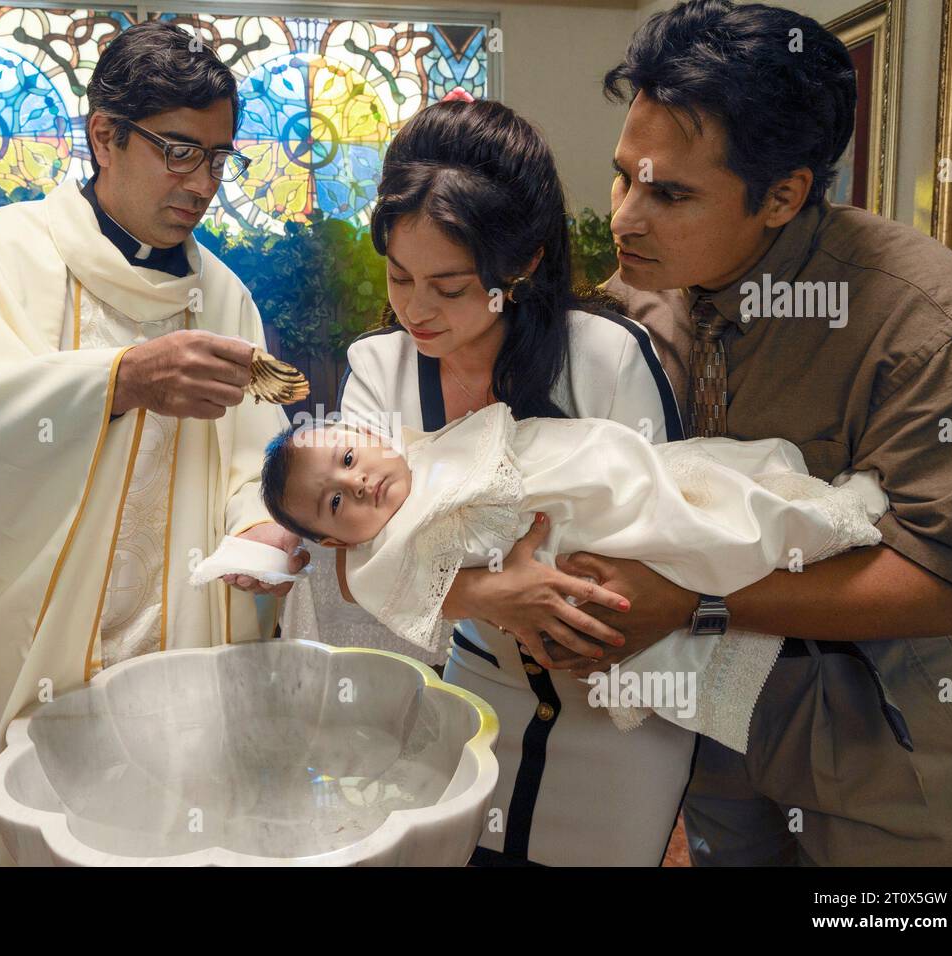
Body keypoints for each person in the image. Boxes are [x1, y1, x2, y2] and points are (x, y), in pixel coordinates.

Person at [0, 22, 306, 866]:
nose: (205, 184)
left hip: (180, 651)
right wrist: (117, 381)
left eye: (221, 158)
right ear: (103, 134)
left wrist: (265, 521)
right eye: (182, 151)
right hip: (29, 653)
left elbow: (257, 458)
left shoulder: (224, 297)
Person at [581, 0, 952, 865]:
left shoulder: (929, 324)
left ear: (783, 196)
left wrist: (694, 601)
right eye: (624, 175)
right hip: (717, 713)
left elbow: (945, 582)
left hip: (880, 727)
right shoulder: (635, 300)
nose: (624, 217)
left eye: (669, 194)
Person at [294, 95, 697, 865]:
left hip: (620, 696)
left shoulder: (607, 357)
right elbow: (355, 560)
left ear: (526, 262)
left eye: (450, 287)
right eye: (399, 275)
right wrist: (489, 597)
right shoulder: (379, 371)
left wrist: (546, 598)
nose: (415, 310)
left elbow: (671, 533)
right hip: (480, 688)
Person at [259, 404, 886, 752]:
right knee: (709, 535)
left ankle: (811, 515)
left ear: (372, 436)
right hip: (578, 539)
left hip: (598, 472)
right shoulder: (384, 551)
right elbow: (384, 584)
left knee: (698, 485)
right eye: (335, 503)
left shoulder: (425, 451)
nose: (356, 482)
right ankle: (825, 520)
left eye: (348, 459)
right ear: (335, 541)